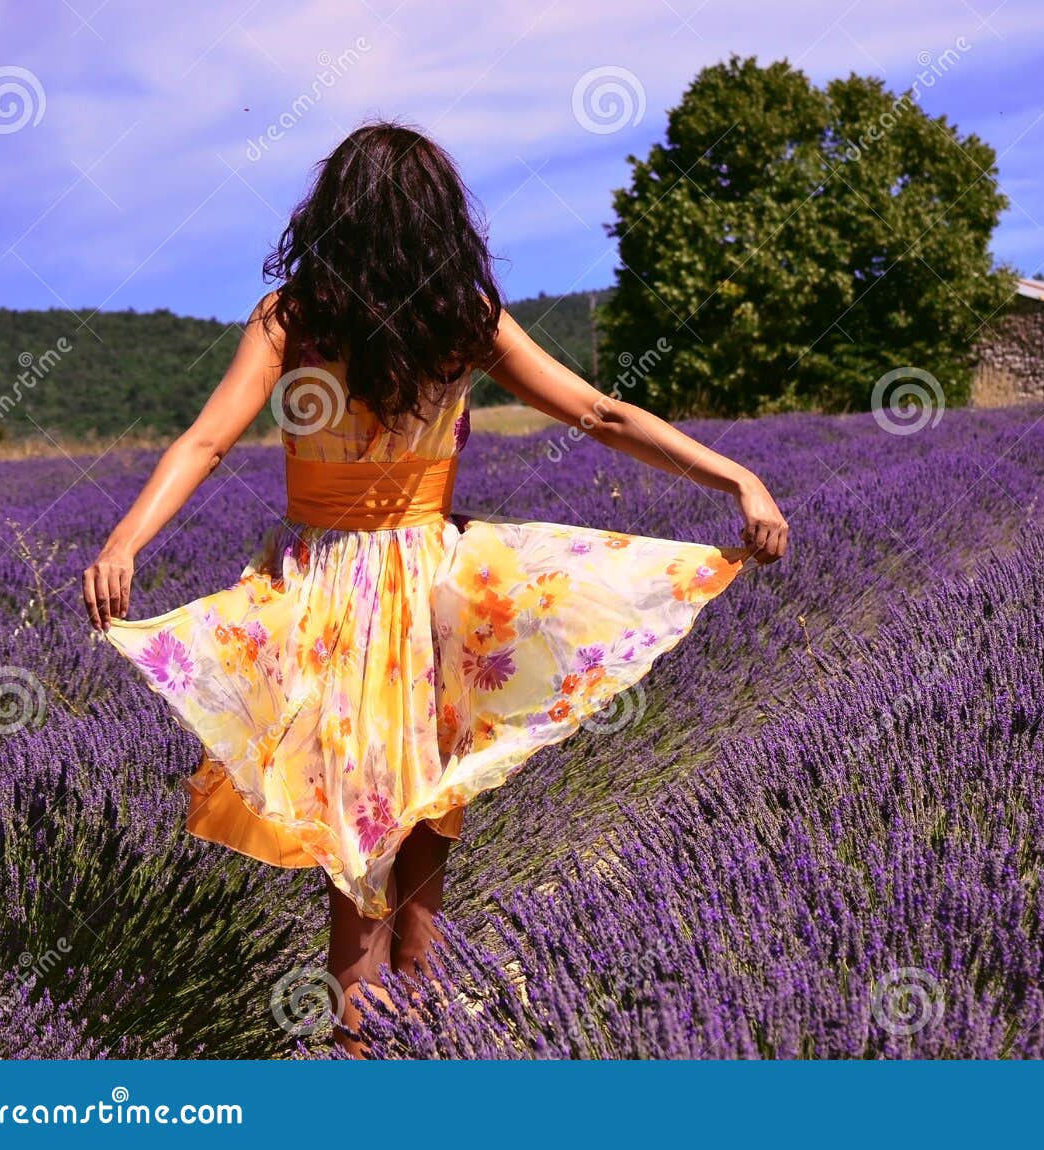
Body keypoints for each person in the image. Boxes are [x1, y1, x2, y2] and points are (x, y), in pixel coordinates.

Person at [80, 120, 787, 1056]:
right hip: (435, 594)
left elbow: (207, 443)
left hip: (330, 595)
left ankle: (364, 1062)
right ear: (438, 222)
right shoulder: (464, 319)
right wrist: (734, 476)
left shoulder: (291, 318)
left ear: (334, 217)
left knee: (353, 854)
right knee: (419, 861)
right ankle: (424, 1060)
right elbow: (600, 413)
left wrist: (126, 539)